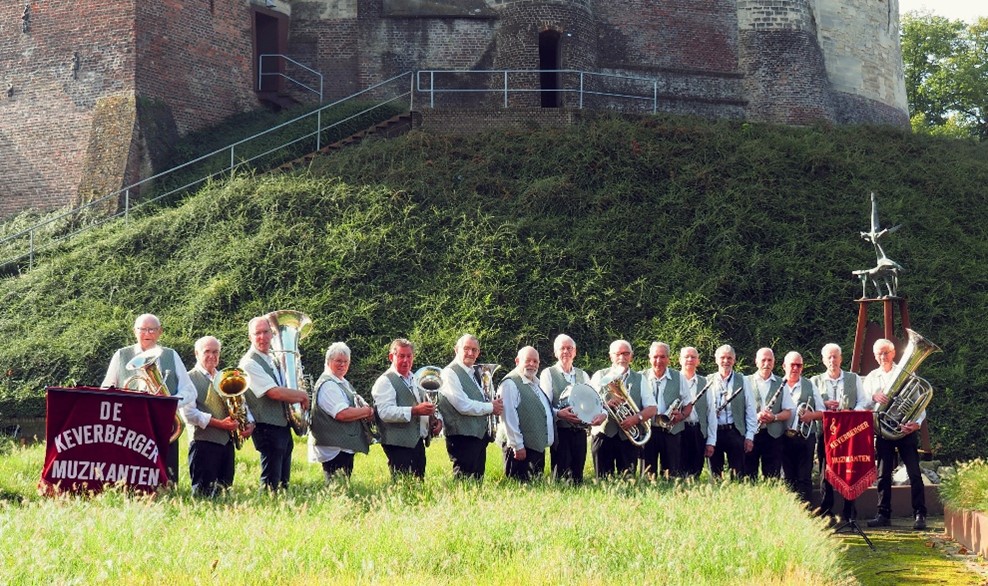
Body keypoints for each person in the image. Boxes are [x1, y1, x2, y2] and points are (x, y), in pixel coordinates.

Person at [101, 313, 196, 484]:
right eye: (143, 329)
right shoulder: (121, 355)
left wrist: (170, 402)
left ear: (160, 332)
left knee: (166, 472)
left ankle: (168, 496)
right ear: (134, 332)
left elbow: (190, 390)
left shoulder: (171, 355)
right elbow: (106, 388)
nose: (147, 334)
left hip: (164, 423)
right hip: (131, 423)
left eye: (152, 329)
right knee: (133, 470)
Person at [238, 315, 311, 490]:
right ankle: (268, 510)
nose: (262, 337)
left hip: (281, 425)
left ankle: (280, 510)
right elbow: (274, 393)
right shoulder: (248, 363)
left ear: (272, 334)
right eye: (257, 333)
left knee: (283, 482)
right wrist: (301, 395)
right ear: (250, 337)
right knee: (271, 482)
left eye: (265, 332)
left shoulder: (272, 358)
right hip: (267, 427)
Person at [866, 338, 928, 530]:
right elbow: (863, 405)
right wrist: (872, 397)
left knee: (914, 473)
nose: (883, 356)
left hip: (905, 431)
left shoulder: (908, 375)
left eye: (886, 352)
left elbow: (920, 404)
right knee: (883, 475)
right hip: (883, 432)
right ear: (875, 356)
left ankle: (920, 514)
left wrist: (915, 424)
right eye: (879, 353)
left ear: (893, 353)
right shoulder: (871, 378)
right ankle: (883, 514)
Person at [181, 336, 254, 496]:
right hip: (203, 444)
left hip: (227, 444)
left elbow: (242, 403)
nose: (212, 356)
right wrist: (221, 424)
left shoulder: (224, 377)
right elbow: (189, 414)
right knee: (202, 494)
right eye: (207, 352)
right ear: (196, 353)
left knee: (224, 493)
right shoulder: (188, 379)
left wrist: (249, 423)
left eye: (216, 352)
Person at [809, 343, 868, 523]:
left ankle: (850, 512)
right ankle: (826, 510)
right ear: (823, 360)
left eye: (835, 356)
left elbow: (863, 401)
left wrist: (851, 415)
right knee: (826, 471)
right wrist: (825, 406)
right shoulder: (815, 380)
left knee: (849, 471)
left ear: (841, 358)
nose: (832, 360)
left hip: (849, 433)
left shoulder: (854, 378)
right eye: (829, 357)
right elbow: (814, 406)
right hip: (826, 433)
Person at [372, 338, 441, 479]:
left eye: (409, 356)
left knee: (418, 485)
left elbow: (423, 403)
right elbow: (385, 413)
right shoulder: (384, 381)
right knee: (402, 487)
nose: (406, 360)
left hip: (417, 442)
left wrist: (434, 419)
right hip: (397, 443)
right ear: (391, 357)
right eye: (401, 356)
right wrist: (414, 410)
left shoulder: (415, 379)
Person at [437, 334, 504, 479]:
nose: (470, 353)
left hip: (477, 437)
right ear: (456, 350)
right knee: (463, 482)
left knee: (476, 483)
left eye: (474, 350)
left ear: (478, 353)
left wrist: (494, 405)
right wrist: (491, 407)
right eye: (466, 349)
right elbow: (462, 405)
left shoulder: (473, 373)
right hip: (461, 437)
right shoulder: (449, 373)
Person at [539, 334, 601, 483]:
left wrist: (599, 414)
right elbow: (544, 405)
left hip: (580, 431)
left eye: (569, 348)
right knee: (560, 475)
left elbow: (593, 400)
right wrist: (559, 414)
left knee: (578, 474)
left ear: (575, 352)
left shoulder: (583, 375)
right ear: (555, 353)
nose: (566, 351)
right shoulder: (548, 373)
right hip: (560, 431)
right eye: (562, 348)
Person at [589, 340, 657, 478]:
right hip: (603, 435)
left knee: (628, 481)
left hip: (628, 438)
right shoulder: (599, 376)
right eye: (618, 354)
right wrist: (605, 404)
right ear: (611, 356)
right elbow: (590, 403)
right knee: (602, 480)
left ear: (631, 356)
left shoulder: (640, 379)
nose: (622, 358)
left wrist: (635, 418)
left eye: (626, 354)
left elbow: (652, 408)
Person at [307, 342, 374, 480]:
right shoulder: (329, 385)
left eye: (346, 361)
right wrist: (367, 412)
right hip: (334, 449)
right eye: (338, 361)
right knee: (336, 489)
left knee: (342, 488)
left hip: (341, 447)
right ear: (328, 361)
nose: (342, 365)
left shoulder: (341, 381)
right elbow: (342, 414)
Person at [498, 346, 555, 481]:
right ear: (517, 361)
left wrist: (558, 414)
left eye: (535, 362)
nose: (532, 364)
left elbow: (541, 410)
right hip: (520, 451)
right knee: (518, 491)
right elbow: (508, 416)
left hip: (534, 449)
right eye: (528, 360)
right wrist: (517, 445)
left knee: (535, 492)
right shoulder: (510, 383)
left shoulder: (535, 383)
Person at [640, 342, 690, 478]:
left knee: (672, 474)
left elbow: (688, 404)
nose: (658, 361)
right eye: (655, 357)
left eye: (662, 357)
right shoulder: (640, 377)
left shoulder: (679, 377)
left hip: (671, 432)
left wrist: (682, 415)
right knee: (647, 475)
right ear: (649, 358)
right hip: (647, 431)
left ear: (668, 358)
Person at [743, 348, 793, 480]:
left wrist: (774, 417)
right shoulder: (745, 381)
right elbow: (739, 409)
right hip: (751, 434)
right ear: (756, 362)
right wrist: (755, 416)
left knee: (772, 476)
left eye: (769, 360)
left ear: (774, 362)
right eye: (763, 360)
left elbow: (788, 412)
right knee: (749, 475)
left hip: (774, 436)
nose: (766, 363)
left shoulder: (782, 383)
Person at [779, 351, 822, 504]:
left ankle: (806, 512)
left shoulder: (810, 385)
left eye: (799, 365)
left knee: (804, 477)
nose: (796, 368)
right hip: (783, 436)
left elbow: (822, 412)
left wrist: (811, 416)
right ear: (784, 366)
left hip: (805, 437)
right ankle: (789, 512)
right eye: (792, 365)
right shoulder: (778, 384)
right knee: (786, 477)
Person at [708, 345, 756, 479]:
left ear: (734, 360)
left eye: (729, 358)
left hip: (735, 431)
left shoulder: (743, 380)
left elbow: (750, 409)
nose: (726, 361)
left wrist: (749, 436)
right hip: (714, 432)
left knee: (738, 473)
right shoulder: (708, 380)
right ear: (716, 360)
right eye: (722, 358)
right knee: (715, 474)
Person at [678, 346, 717, 479]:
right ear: (679, 360)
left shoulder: (705, 382)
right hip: (677, 430)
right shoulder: (674, 380)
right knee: (677, 470)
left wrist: (711, 441)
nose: (689, 359)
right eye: (686, 357)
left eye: (693, 357)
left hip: (697, 431)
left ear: (698, 361)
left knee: (695, 471)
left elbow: (711, 413)